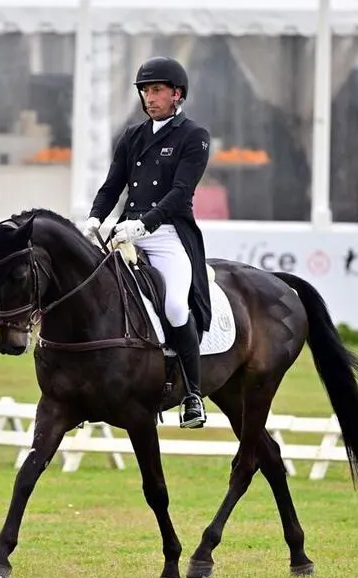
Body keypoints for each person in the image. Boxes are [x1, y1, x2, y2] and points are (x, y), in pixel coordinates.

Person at [80, 56, 213, 429]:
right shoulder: (133, 136)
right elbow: (112, 187)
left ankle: (192, 395)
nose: (149, 97)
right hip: (125, 233)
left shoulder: (194, 136)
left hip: (168, 234)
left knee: (173, 306)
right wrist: (94, 219)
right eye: (145, 90)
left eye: (156, 90)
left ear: (177, 94)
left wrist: (145, 226)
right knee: (94, 296)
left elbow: (180, 192)